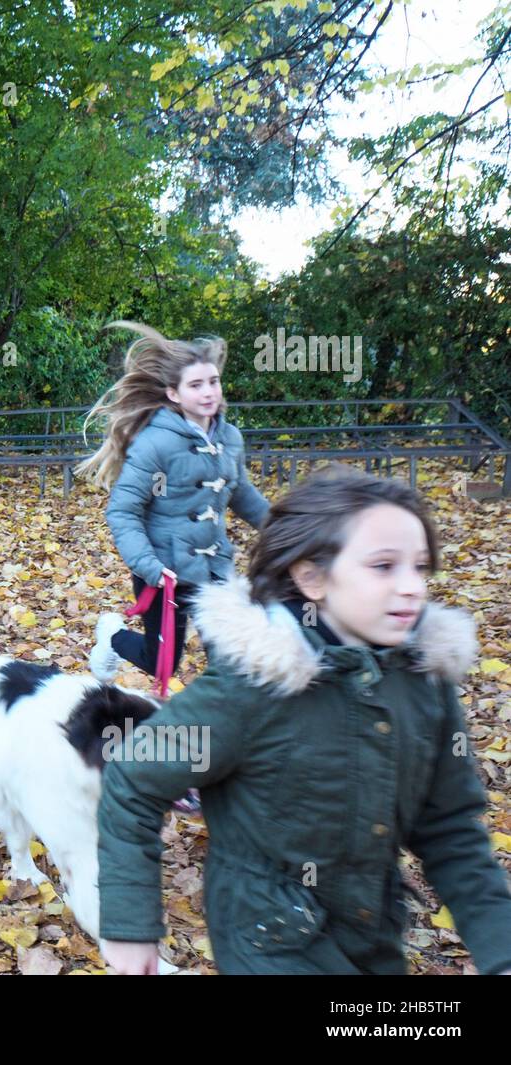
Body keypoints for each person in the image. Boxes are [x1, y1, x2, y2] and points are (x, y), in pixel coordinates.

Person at [97, 467, 511, 975]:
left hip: (373, 936)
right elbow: (134, 779)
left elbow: (450, 827)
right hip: (270, 943)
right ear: (312, 577)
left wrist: (500, 949)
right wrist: (129, 925)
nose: (412, 587)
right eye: (383, 566)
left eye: (420, 567)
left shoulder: (423, 679)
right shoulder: (251, 689)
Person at [81, 321, 269, 684]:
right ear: (173, 394)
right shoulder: (155, 445)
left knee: (229, 657)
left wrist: (285, 528)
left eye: (213, 381)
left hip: (215, 568)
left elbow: (241, 492)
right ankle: (112, 636)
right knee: (162, 664)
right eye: (196, 385)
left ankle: (227, 729)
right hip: (164, 572)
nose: (208, 392)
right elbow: (123, 511)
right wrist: (150, 566)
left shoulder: (229, 438)